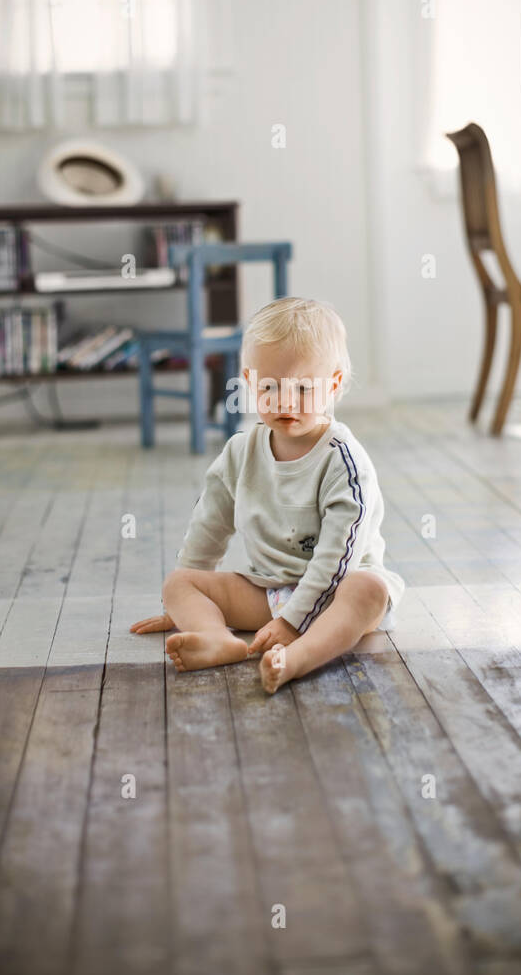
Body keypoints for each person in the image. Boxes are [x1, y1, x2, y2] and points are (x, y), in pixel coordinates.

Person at [130, 297, 404, 694]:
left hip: (336, 592)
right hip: (270, 591)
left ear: (333, 384)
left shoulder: (343, 461)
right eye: (270, 386)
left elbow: (336, 559)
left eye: (303, 388)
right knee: (179, 582)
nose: (285, 400)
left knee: (370, 590)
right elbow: (208, 527)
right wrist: (181, 608)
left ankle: (299, 658)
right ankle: (216, 640)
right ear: (249, 381)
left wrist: (292, 623)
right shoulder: (240, 452)